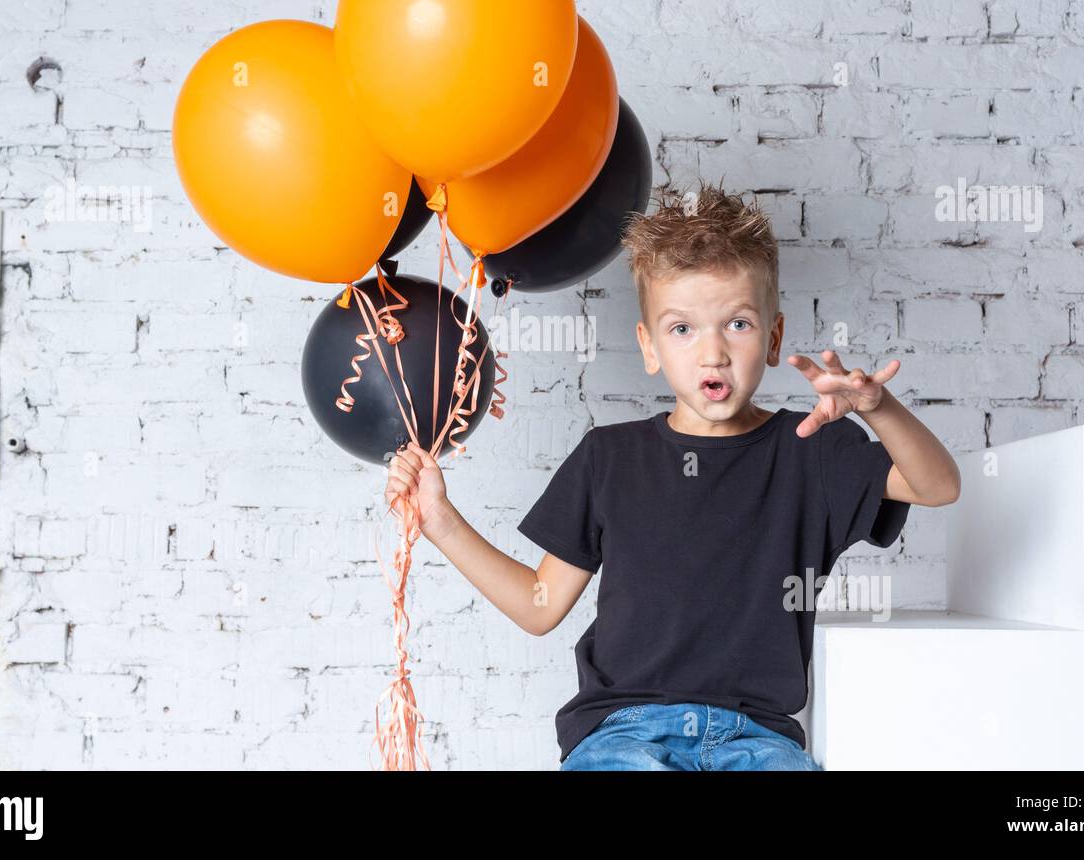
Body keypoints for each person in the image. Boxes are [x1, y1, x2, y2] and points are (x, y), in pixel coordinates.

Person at [384, 182, 962, 770]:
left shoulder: (812, 447)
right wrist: (440, 521)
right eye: (682, 329)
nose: (712, 353)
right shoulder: (608, 457)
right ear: (650, 346)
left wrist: (878, 409)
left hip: (758, 740)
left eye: (737, 324)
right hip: (622, 732)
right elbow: (539, 606)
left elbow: (938, 486)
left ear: (774, 338)